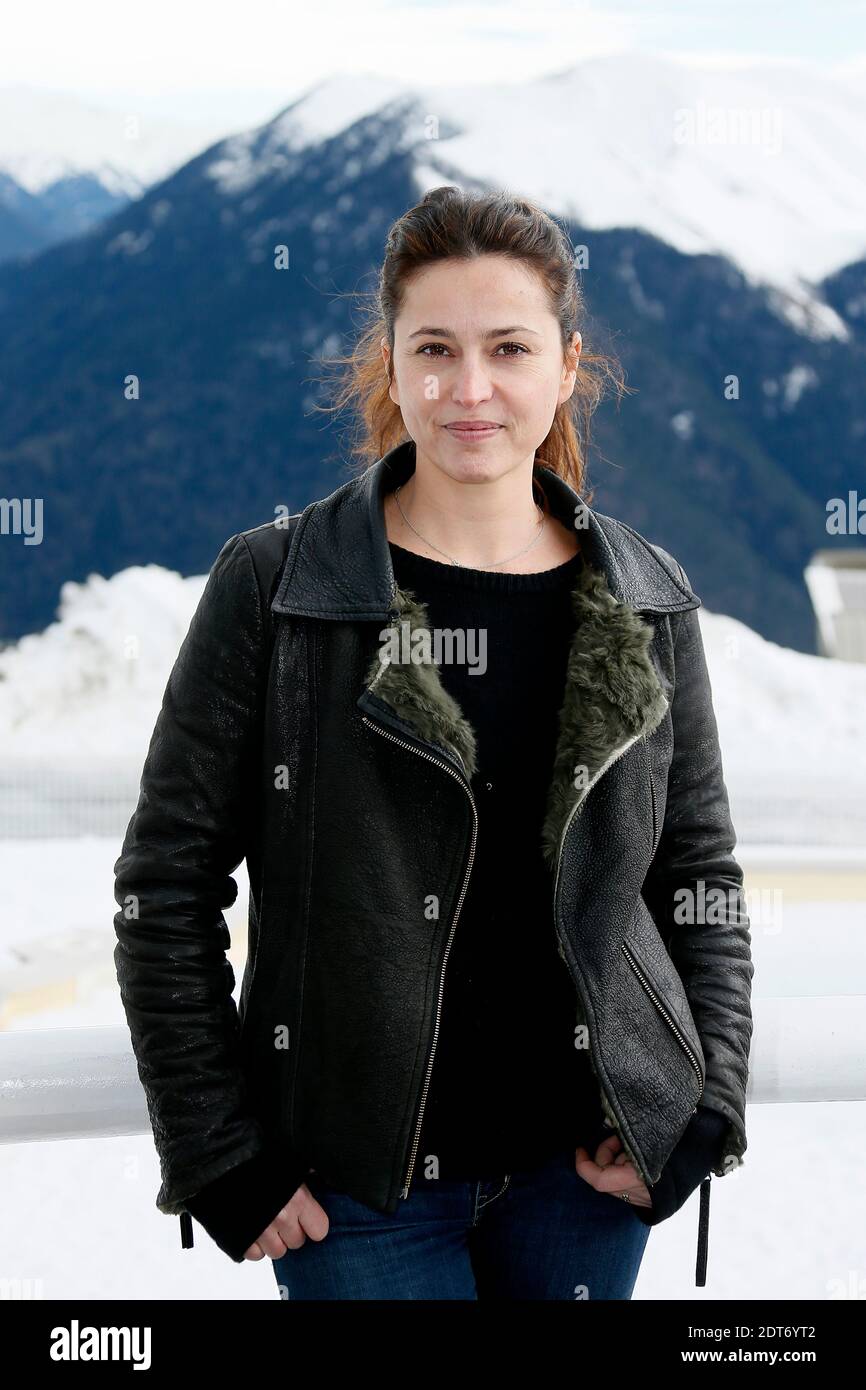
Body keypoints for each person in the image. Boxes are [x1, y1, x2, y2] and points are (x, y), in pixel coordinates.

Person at [114, 186, 753, 1300]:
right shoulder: (277, 591)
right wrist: (218, 1154)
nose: (469, 389)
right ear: (391, 362)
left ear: (564, 367)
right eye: (434, 349)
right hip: (357, 1189)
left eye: (507, 348)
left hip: (586, 1176)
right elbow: (164, 886)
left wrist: (703, 1104)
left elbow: (697, 875)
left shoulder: (644, 599)